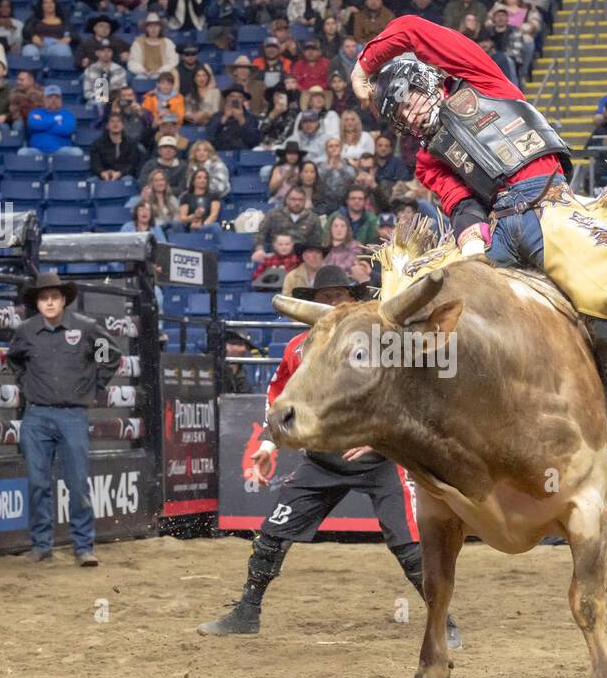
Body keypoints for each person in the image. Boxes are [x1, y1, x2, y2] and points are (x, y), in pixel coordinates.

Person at [352, 15, 607, 475]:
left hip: (552, 210)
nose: (408, 116)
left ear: (424, 80)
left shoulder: (480, 77)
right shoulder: (425, 158)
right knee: (438, 322)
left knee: (606, 305)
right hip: (497, 232)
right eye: (399, 116)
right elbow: (458, 200)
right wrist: (471, 233)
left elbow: (413, 27)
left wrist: (362, 68)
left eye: (406, 101)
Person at [196, 265, 462, 648]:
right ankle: (247, 612)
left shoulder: (382, 343)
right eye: (326, 298)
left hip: (380, 460)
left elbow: (407, 398)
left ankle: (444, 622)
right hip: (321, 461)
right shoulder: (298, 349)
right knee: (272, 534)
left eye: (340, 296)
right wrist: (270, 443)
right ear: (315, 303)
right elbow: (280, 397)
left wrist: (379, 438)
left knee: (409, 545)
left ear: (352, 300)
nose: (334, 303)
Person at [7, 272, 122, 568]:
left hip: (73, 414)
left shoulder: (86, 328)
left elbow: (111, 355)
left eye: (54, 297)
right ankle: (41, 546)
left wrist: (94, 387)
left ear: (63, 300)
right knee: (37, 482)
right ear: (37, 301)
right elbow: (15, 359)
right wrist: (27, 386)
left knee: (78, 483)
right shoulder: (26, 331)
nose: (49, 302)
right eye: (43, 298)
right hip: (37, 414)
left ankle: (83, 547)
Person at [20, 85, 82, 156]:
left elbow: (67, 130)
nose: (53, 100)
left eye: (57, 97)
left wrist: (43, 125)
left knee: (77, 152)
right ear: (44, 99)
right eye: (50, 97)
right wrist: (55, 120)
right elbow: (34, 124)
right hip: (37, 151)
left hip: (61, 151)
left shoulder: (67, 114)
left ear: (61, 99)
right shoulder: (35, 112)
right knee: (22, 152)